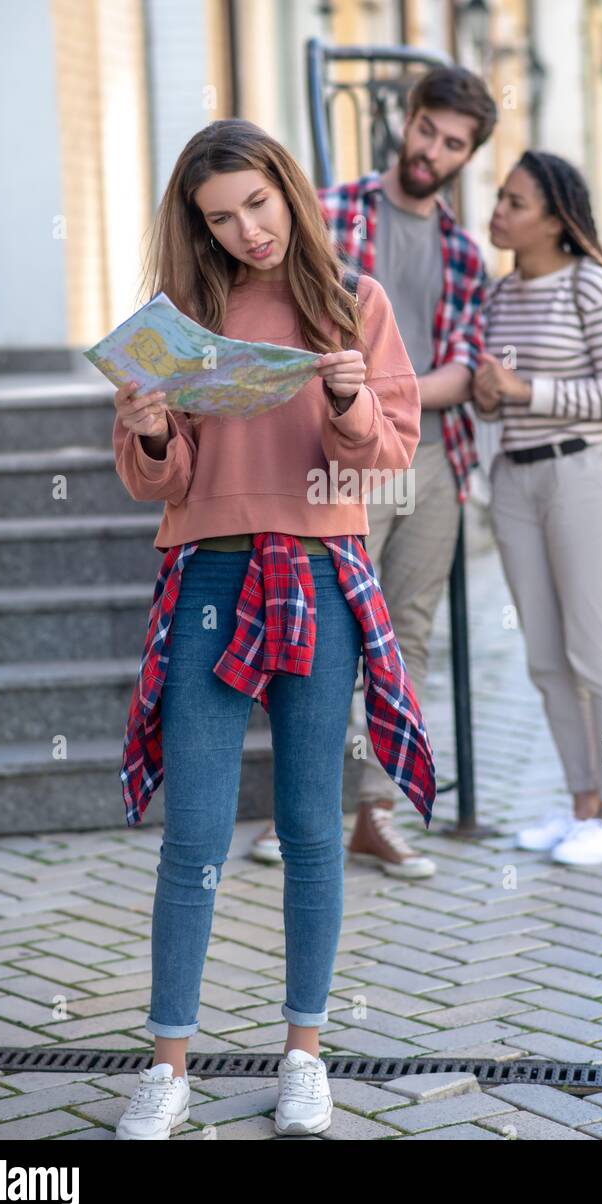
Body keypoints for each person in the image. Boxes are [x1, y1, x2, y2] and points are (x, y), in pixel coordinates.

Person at [110, 118, 433, 1138]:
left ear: (287, 191)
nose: (246, 228)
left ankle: (304, 1054)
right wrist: (155, 427)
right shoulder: (183, 321)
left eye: (257, 201)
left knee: (308, 826)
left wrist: (343, 400)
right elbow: (152, 480)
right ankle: (167, 1066)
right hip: (209, 571)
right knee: (196, 828)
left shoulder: (353, 305)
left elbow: (387, 456)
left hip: (321, 572)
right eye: (220, 216)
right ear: (197, 229)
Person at [249, 65, 496, 879]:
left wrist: (388, 390)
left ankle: (376, 814)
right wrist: (374, 397)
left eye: (453, 144)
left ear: (467, 156)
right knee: (320, 632)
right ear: (408, 119)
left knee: (407, 636)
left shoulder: (464, 252)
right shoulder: (333, 209)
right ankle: (302, 814)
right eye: (427, 129)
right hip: (339, 449)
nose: (433, 150)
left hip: (430, 459)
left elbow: (464, 371)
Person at [472, 150, 602, 866]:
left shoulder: (596, 287)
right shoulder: (499, 295)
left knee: (600, 652)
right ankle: (581, 805)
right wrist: (492, 396)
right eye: (500, 198)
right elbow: (495, 392)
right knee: (547, 657)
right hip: (517, 482)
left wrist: (525, 392)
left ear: (554, 218)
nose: (499, 212)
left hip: (591, 475)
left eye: (515, 202)